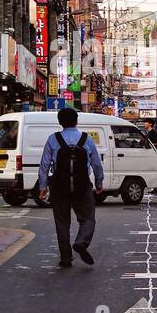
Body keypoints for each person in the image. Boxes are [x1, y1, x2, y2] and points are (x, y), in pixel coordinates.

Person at [38, 107, 105, 266]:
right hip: (82, 186)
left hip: (59, 186)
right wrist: (99, 182)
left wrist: (43, 186)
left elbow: (44, 165)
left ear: (60, 122)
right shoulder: (86, 139)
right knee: (88, 217)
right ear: (76, 120)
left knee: (62, 222)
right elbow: (96, 163)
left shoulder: (53, 139)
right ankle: (81, 241)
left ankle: (65, 258)